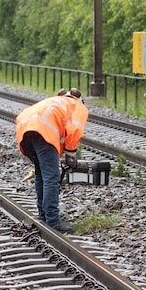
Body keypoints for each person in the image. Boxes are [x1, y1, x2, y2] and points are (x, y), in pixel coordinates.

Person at [14, 88, 89, 233]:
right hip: (42, 132)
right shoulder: (77, 106)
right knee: (51, 177)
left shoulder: (56, 102)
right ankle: (53, 220)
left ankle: (43, 214)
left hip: (24, 131)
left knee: (41, 173)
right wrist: (71, 154)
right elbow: (75, 130)